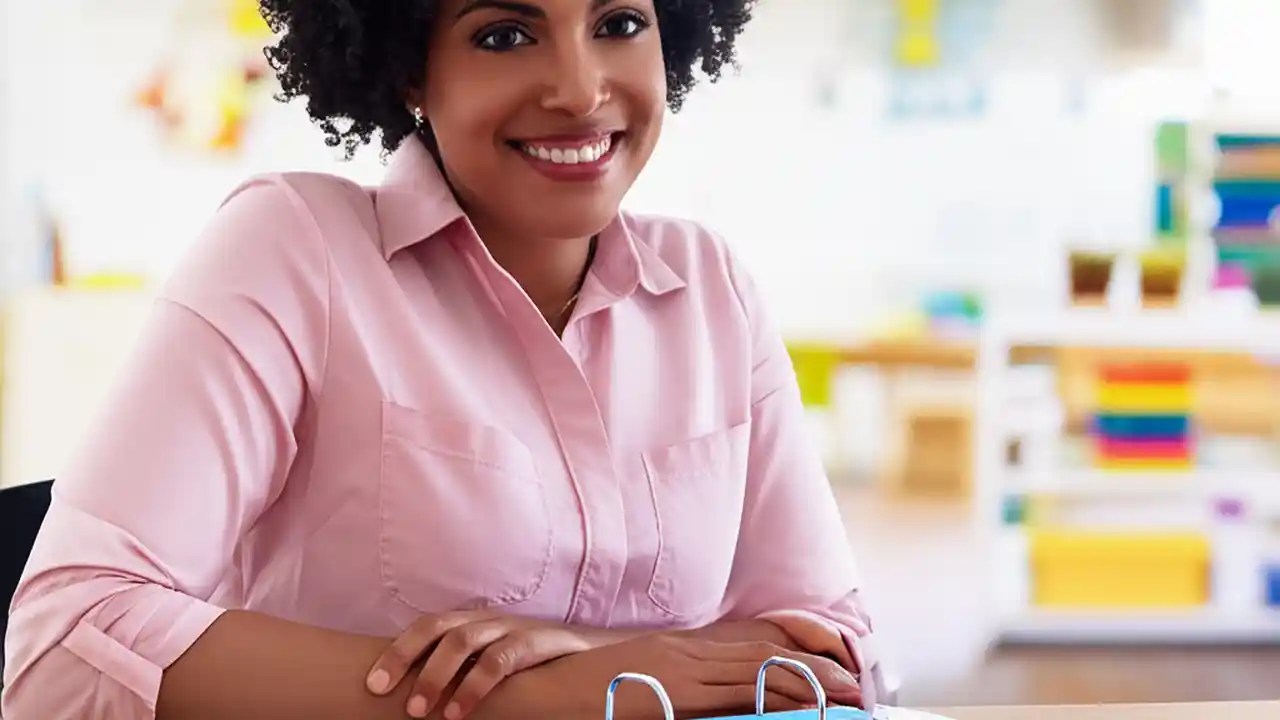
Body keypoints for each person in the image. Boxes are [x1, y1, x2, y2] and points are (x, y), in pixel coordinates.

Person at [1, 0, 885, 718]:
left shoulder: (710, 288)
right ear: (412, 69)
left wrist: (597, 661)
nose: (580, 90)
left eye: (618, 23)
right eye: (505, 34)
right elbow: (66, 636)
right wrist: (520, 698)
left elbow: (842, 653)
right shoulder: (295, 249)